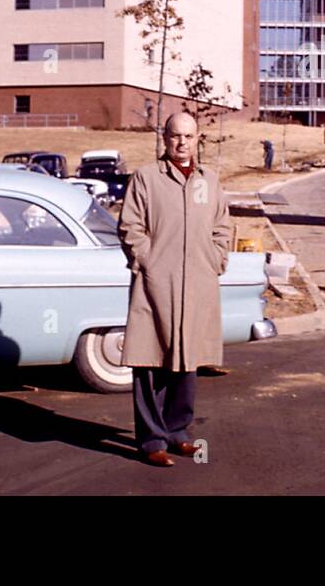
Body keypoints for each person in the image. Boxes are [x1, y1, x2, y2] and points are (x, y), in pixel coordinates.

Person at [118, 112, 232, 468]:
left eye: (189, 136)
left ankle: (178, 431)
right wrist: (147, 261)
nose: (182, 143)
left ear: (198, 138)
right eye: (175, 136)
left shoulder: (209, 181)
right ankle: (152, 439)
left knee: (188, 361)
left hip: (197, 284)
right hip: (156, 285)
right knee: (149, 362)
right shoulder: (146, 178)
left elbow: (222, 227)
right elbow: (130, 227)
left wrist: (216, 260)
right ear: (164, 138)